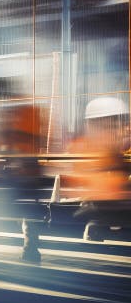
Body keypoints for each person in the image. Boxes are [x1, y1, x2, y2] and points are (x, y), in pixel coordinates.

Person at [0, 77, 47, 263]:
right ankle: (31, 250)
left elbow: (20, 140)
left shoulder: (19, 111)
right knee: (28, 212)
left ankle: (30, 249)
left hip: (22, 171)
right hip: (27, 171)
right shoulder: (23, 110)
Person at [66, 97, 130, 241]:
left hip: (110, 202)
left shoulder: (114, 151)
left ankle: (95, 227)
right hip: (103, 203)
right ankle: (95, 226)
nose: (117, 130)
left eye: (116, 124)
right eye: (110, 126)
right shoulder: (88, 149)